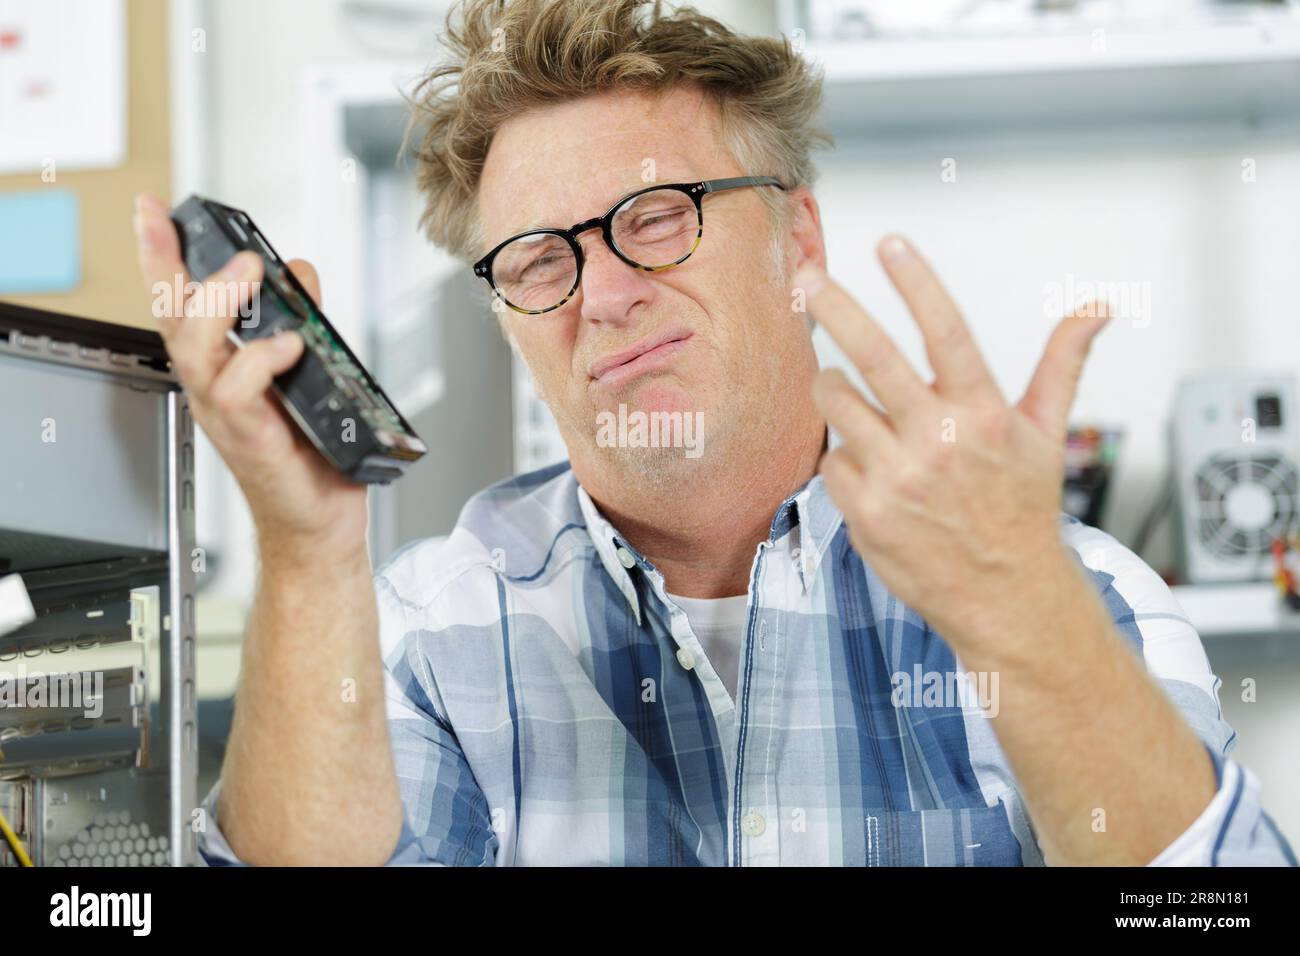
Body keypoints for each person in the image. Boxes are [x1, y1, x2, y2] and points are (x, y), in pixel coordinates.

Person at [132, 0, 1294, 866]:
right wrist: (306, 543)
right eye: (539, 258)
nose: (602, 294)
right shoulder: (423, 634)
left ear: (799, 242)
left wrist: (1022, 613)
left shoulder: (1068, 592)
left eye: (653, 217)